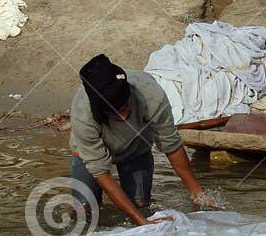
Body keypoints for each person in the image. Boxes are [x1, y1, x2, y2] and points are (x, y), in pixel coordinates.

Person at [69, 54, 220, 226]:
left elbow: (171, 144)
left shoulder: (151, 94)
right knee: (84, 211)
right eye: (114, 114)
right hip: (87, 156)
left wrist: (197, 193)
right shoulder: (83, 113)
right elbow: (100, 171)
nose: (124, 117)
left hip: (136, 149)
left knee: (141, 206)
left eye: (126, 108)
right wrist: (142, 222)